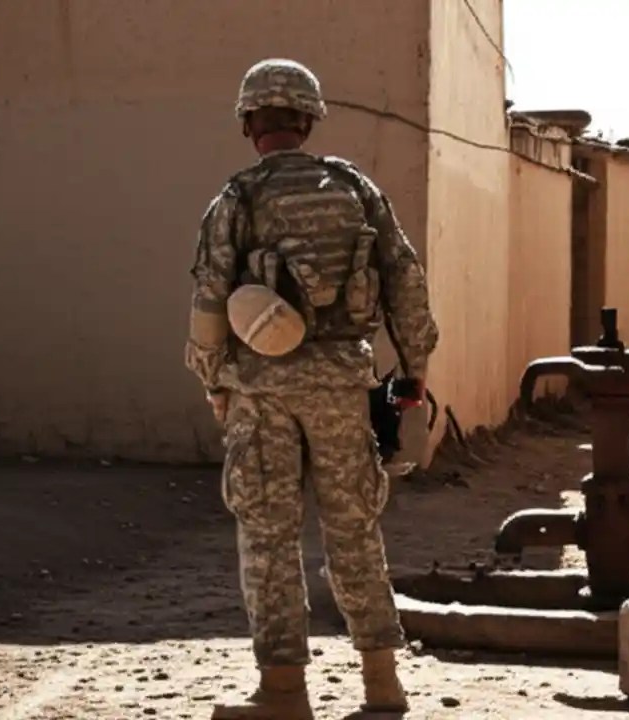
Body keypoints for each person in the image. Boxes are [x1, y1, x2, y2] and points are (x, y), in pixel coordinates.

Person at [185, 58, 439, 719]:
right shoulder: (354, 187)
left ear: (249, 123)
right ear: (308, 119)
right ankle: (382, 686)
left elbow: (211, 301)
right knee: (355, 531)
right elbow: (406, 281)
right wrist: (412, 372)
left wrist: (216, 383)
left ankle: (283, 694)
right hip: (343, 386)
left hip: (261, 393)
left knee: (269, 538)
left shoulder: (236, 199)